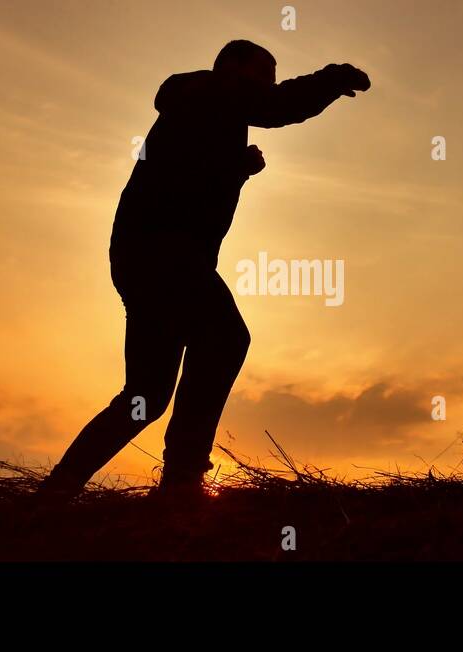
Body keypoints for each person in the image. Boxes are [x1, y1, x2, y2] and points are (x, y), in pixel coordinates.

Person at [39, 40, 371, 499]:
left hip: (145, 257)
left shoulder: (198, 106)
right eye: (265, 72)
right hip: (166, 253)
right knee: (225, 338)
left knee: (148, 394)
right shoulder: (213, 89)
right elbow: (277, 107)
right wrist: (332, 78)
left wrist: (236, 168)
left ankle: (61, 487)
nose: (269, 83)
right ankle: (182, 479)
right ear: (233, 66)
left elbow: (188, 177)